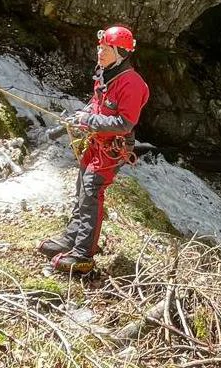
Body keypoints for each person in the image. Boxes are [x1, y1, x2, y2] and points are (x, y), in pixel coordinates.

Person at [38, 25, 150, 273]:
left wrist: (89, 121)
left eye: (106, 48)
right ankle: (72, 238)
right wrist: (84, 114)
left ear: (120, 52)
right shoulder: (105, 72)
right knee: (81, 189)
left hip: (111, 148)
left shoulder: (131, 83)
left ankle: (83, 255)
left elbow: (124, 123)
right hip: (96, 143)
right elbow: (97, 103)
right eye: (100, 47)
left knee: (91, 191)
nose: (99, 52)